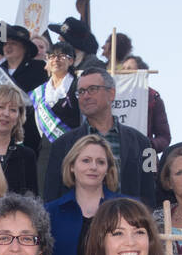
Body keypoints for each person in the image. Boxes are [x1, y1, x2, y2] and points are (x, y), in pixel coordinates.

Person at [45, 68, 155, 206]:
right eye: (81, 92)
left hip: (127, 217)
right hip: (78, 218)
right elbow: (51, 197)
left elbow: (149, 194)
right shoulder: (62, 145)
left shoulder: (141, 142)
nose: (86, 96)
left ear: (111, 94)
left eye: (92, 89)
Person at [46, 134, 123, 255]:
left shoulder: (125, 209)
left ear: (108, 169)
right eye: (86, 160)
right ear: (72, 166)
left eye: (100, 162)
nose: (93, 167)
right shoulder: (49, 213)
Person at [0, 23, 45, 153]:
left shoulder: (39, 68)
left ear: (24, 47)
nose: (7, 47)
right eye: (5, 44)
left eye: (13, 43)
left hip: (31, 130)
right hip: (2, 129)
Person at [27, 41, 75, 189]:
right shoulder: (38, 92)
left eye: (61, 56)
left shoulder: (78, 87)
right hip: (46, 151)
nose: (56, 60)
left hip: (73, 148)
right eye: (52, 56)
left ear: (71, 61)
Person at [118, 55, 170, 154]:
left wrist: (147, 144)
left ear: (140, 74)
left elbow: (164, 137)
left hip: (143, 157)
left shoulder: (152, 98)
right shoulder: (111, 95)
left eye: (129, 69)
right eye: (122, 69)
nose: (124, 72)